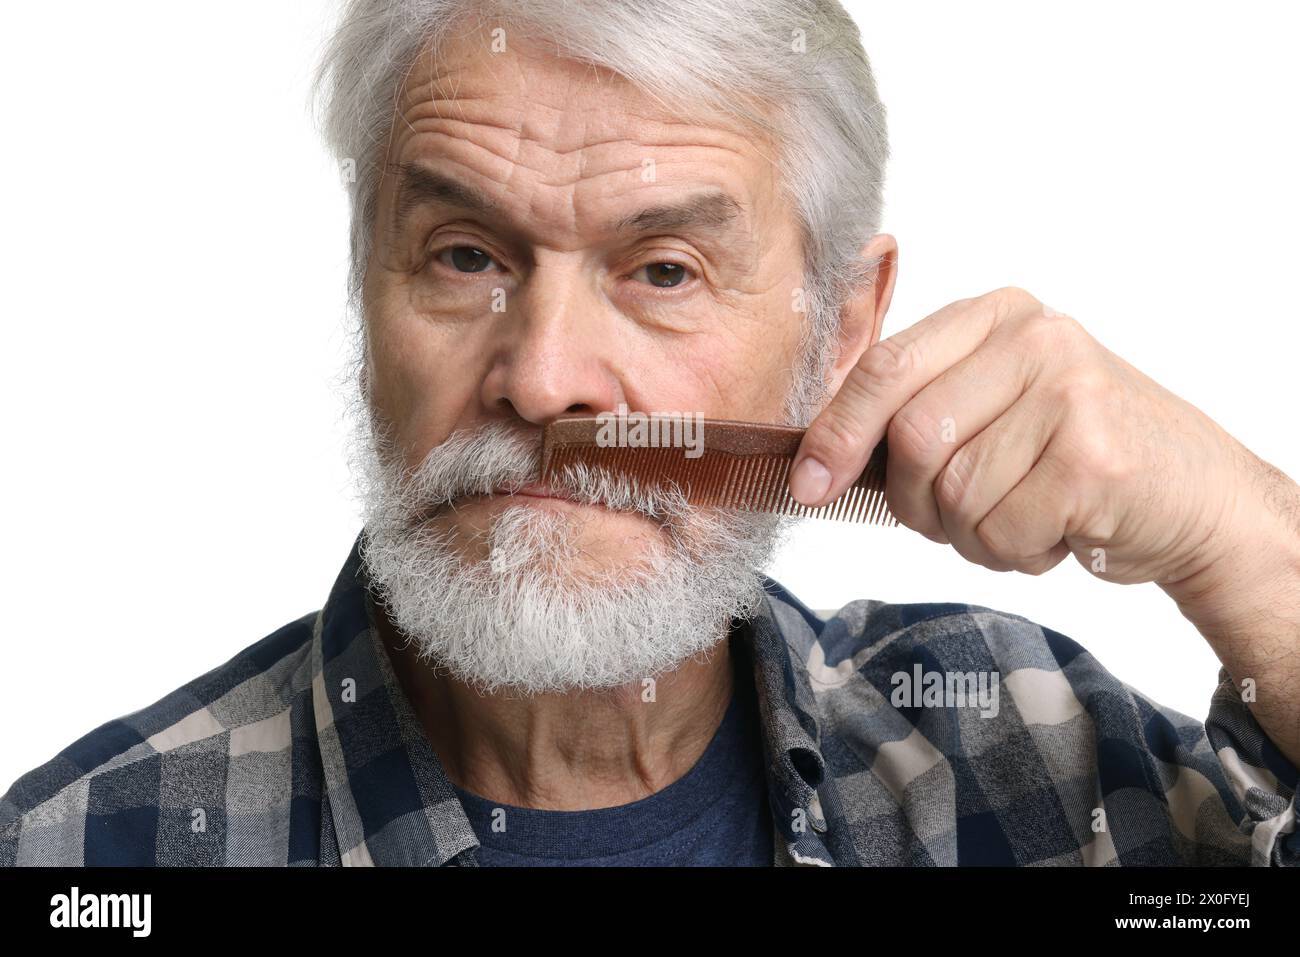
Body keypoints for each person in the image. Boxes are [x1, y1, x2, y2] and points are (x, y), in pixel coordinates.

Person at [2, 0, 1296, 867]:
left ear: (840, 331)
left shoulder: (1030, 754)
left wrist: (1250, 548)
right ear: (364, 283)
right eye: (463, 255)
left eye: (664, 269)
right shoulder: (88, 851)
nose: (547, 377)